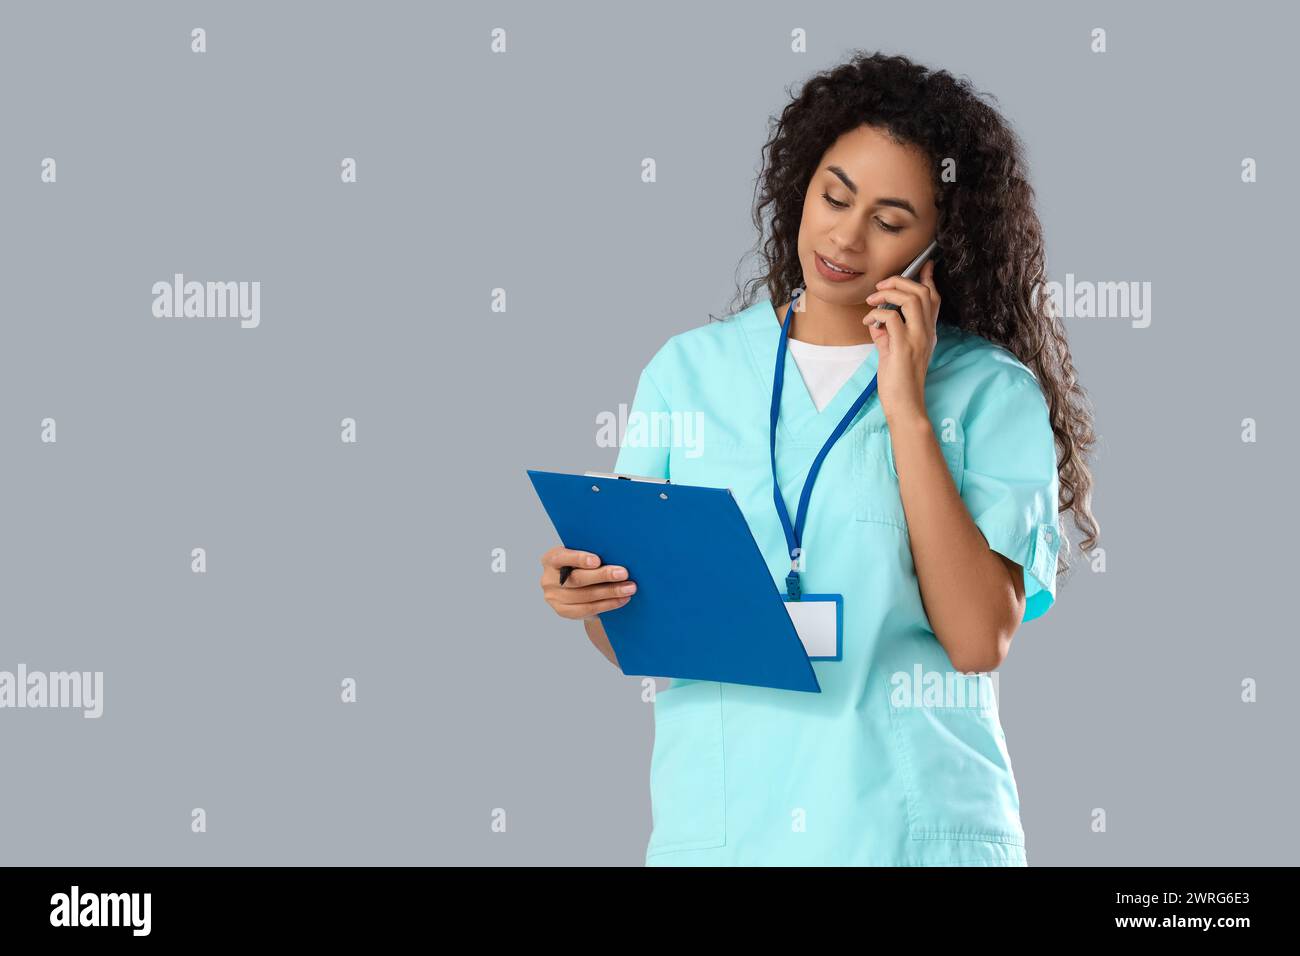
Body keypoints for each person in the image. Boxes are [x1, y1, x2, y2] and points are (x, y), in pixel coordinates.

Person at [539, 51, 1099, 866]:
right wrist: (592, 597)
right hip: (729, 832)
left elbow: (979, 638)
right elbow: (647, 632)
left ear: (940, 244)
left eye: (891, 218)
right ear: (801, 184)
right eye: (835, 196)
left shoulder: (986, 393)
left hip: (913, 835)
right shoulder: (687, 374)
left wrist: (906, 406)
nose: (845, 235)